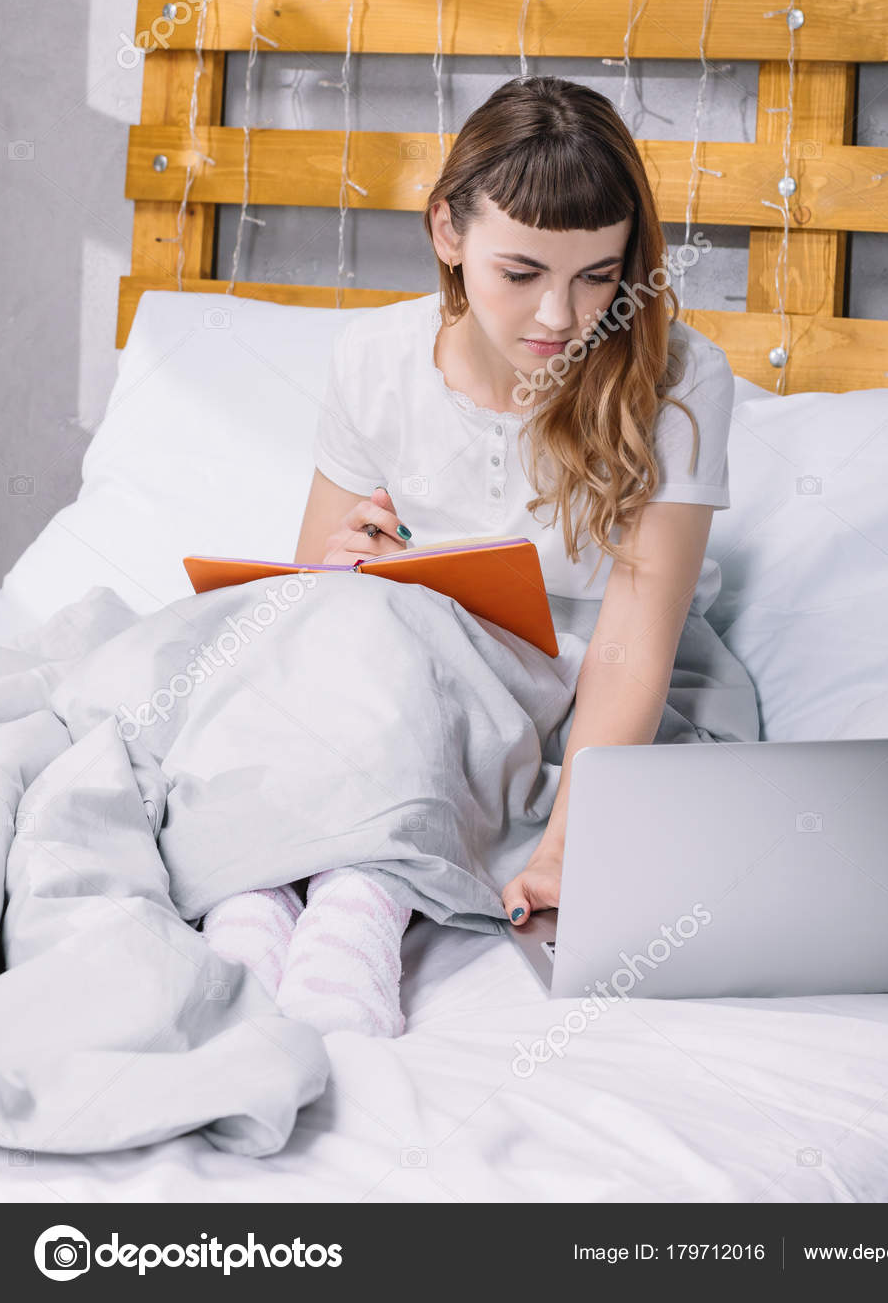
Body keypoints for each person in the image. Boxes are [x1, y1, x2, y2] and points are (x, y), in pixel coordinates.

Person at [200, 74, 736, 1037]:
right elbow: (307, 579)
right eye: (520, 273)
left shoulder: (678, 374)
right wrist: (339, 567)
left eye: (599, 275)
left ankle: (358, 909)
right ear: (447, 232)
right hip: (381, 663)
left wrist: (573, 843)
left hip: (565, 682)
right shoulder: (374, 355)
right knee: (310, 628)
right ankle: (256, 896)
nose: (561, 319)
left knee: (391, 656)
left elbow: (628, 642)